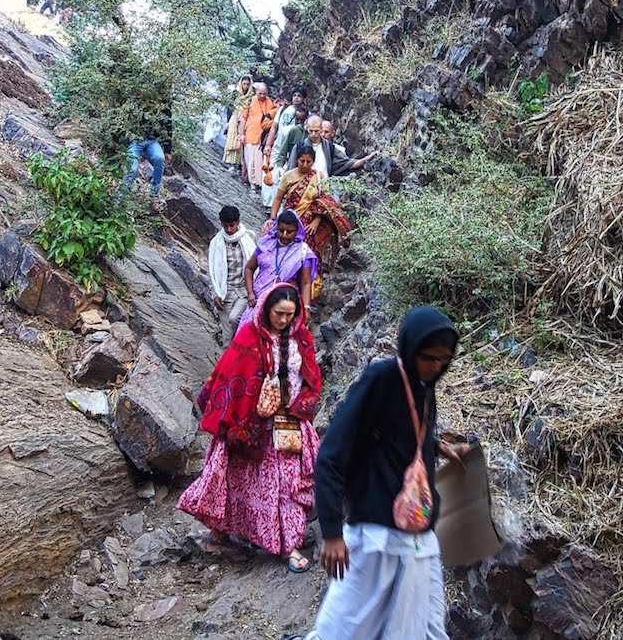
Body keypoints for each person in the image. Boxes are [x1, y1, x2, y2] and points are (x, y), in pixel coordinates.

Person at [305, 306, 472, 639]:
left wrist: (437, 446)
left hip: (416, 536)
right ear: (410, 349)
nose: (437, 367)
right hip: (375, 534)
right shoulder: (381, 380)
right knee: (346, 626)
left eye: (445, 360)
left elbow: (401, 431)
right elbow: (332, 454)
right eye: (429, 358)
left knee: (422, 623)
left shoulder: (424, 387)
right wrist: (332, 532)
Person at [177, 283, 322, 573]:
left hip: (289, 424)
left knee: (287, 485)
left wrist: (298, 405)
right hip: (251, 426)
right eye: (278, 314)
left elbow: (311, 377)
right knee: (237, 477)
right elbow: (231, 376)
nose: (283, 321)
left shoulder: (302, 339)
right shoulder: (249, 338)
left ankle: (287, 544)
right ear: (266, 309)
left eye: (290, 315)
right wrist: (244, 413)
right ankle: (229, 530)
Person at [272, 144, 353, 286]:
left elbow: (325, 202)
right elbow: (278, 198)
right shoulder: (288, 176)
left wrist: (316, 221)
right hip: (291, 222)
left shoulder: (318, 177)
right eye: (301, 161)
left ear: (313, 161)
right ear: (296, 160)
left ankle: (308, 291)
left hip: (310, 226)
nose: (305, 165)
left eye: (308, 162)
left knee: (309, 256)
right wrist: (272, 219)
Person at [242, 210, 317, 326]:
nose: (284, 235)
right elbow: (249, 268)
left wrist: (306, 308)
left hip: (285, 305)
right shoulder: (265, 245)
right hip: (258, 300)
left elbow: (306, 282)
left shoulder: (303, 252)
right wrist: (250, 292)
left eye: (290, 232)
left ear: (297, 231)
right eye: (281, 231)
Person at [121, 77, 174, 210]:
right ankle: (120, 198)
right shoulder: (140, 97)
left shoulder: (165, 104)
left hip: (152, 140)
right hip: (135, 139)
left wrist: (168, 150)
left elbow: (168, 125)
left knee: (159, 158)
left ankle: (154, 195)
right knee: (132, 170)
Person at [208, 205, 257, 344]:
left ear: (238, 222)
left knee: (235, 318)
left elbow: (254, 264)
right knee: (227, 336)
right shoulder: (216, 243)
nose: (229, 230)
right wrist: (215, 293)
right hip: (225, 292)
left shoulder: (249, 237)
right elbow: (213, 270)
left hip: (243, 290)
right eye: (226, 226)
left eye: (232, 225)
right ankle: (226, 364)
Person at [263, 105, 309, 210]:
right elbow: (279, 149)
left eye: (302, 120)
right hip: (287, 165)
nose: (299, 122)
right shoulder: (287, 131)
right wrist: (275, 165)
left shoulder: (309, 135)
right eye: (297, 119)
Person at [241, 82, 277, 194]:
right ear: (256, 92)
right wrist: (241, 134)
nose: (262, 96)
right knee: (250, 161)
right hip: (250, 135)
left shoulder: (269, 102)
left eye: (264, 94)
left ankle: (259, 184)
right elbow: (243, 119)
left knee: (259, 163)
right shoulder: (249, 101)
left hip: (263, 138)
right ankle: (252, 184)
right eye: (260, 93)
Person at [223, 75, 253, 172]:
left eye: (247, 84)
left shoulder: (251, 97)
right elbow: (229, 107)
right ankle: (231, 163)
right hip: (234, 118)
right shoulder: (235, 94)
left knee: (241, 142)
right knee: (232, 140)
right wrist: (228, 121)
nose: (245, 86)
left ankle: (239, 165)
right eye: (244, 84)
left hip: (244, 120)